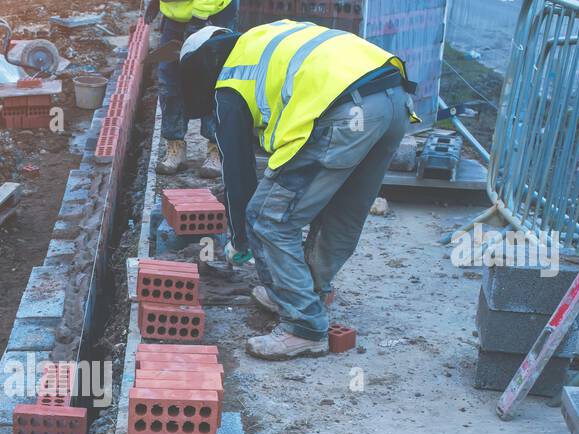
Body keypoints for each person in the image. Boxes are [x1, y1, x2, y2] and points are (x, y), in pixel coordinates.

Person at [175, 22, 418, 360]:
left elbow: (237, 170)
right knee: (343, 212)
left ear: (200, 71)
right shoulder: (262, 41)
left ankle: (303, 326)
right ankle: (307, 292)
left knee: (267, 218)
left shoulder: (229, 82)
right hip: (394, 99)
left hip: (343, 110)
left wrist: (241, 240)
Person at [149, 0, 239, 177]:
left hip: (214, 13)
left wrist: (199, 17)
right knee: (170, 81)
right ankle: (175, 146)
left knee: (213, 79)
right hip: (176, 16)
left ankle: (216, 149)